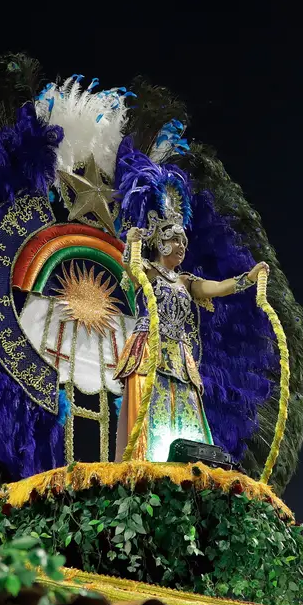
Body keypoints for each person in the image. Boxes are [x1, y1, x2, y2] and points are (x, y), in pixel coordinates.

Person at [112, 139, 268, 463]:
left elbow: (217, 288)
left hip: (180, 356)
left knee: (184, 416)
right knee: (149, 411)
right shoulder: (149, 273)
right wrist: (132, 243)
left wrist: (248, 279)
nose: (181, 247)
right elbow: (130, 267)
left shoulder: (186, 281)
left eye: (183, 242)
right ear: (162, 244)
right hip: (151, 350)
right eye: (175, 241)